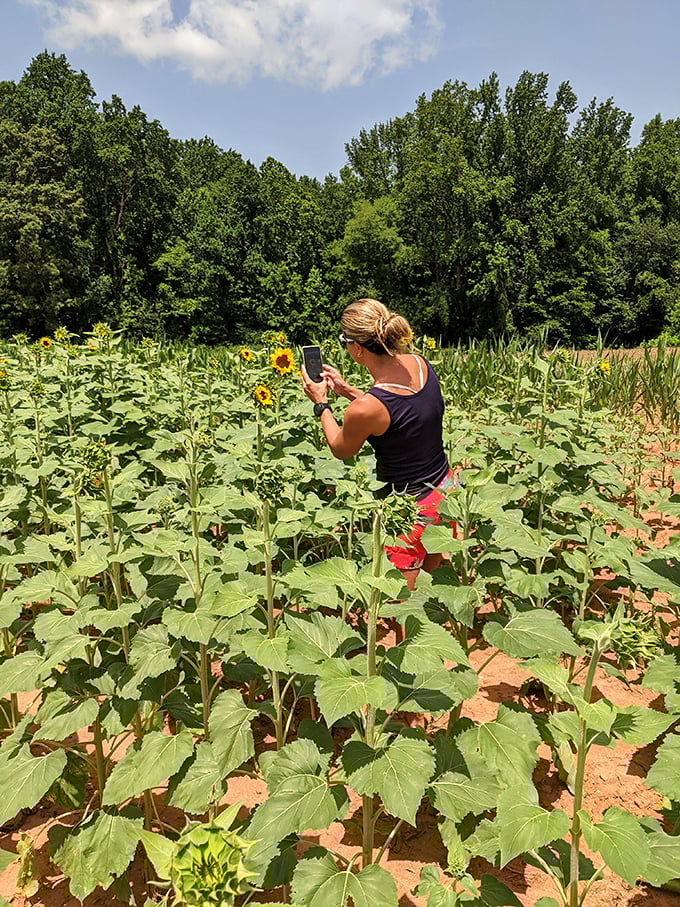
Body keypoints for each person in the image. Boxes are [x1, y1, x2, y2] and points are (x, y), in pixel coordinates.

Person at [300, 298, 455, 589]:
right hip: (444, 492)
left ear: (357, 348)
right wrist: (345, 389)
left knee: (403, 599)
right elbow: (400, 411)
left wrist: (321, 403)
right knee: (432, 583)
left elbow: (340, 448)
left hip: (409, 510)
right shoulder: (420, 365)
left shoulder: (367, 408)